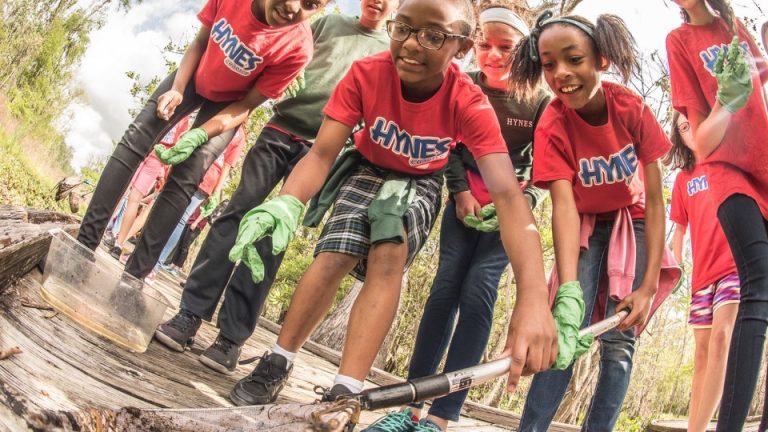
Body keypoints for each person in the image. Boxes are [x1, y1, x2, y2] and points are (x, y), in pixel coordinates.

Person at [225, 0, 557, 410]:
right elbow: (322, 153)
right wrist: (286, 203)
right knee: (335, 254)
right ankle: (279, 359)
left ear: (462, 48)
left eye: (433, 35)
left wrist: (533, 296)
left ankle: (346, 390)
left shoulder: (469, 101)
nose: (412, 45)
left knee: (389, 254)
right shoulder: (367, 74)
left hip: (420, 181)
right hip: (368, 167)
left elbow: (508, 194)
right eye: (403, 28)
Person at [153, 0, 400, 376]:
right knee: (236, 214)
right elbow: (287, 47)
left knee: (272, 237)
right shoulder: (328, 23)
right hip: (279, 130)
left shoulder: (389, 54)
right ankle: (190, 313)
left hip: (323, 149)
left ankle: (231, 338)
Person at [364, 4, 550, 431]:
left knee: (479, 294)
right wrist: (460, 192)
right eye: (485, 44)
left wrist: (526, 205)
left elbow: (546, 170)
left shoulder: (539, 103)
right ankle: (410, 405)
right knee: (444, 290)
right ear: (473, 45)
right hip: (461, 210)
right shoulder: (461, 84)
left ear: (524, 51)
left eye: (507, 47)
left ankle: (444, 416)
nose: (494, 54)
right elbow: (446, 144)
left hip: (508, 221)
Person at [75, 0, 328, 284]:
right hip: (195, 76)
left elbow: (247, 104)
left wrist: (202, 133)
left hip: (229, 108)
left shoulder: (297, 48)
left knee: (187, 176)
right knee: (137, 138)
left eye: (310, 4)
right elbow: (199, 42)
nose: (293, 7)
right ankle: (84, 243)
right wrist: (178, 89)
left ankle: (134, 276)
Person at [511, 11, 675, 431]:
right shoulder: (553, 122)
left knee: (619, 341)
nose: (561, 74)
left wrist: (649, 284)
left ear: (601, 58)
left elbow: (655, 200)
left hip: (633, 219)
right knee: (566, 334)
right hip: (584, 220)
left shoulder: (631, 107)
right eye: (549, 65)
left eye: (574, 59)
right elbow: (564, 207)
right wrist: (568, 291)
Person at [665, 1, 768, 430]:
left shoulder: (736, 26)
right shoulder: (679, 41)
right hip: (728, 172)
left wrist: (757, 71)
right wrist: (726, 101)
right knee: (758, 285)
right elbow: (703, 144)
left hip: (764, 165)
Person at [665, 111, 740, 432]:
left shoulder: (729, 162)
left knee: (723, 339)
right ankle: (694, 427)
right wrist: (671, 268)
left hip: (735, 264)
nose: (690, 130)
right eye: (683, 127)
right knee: (701, 354)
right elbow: (679, 232)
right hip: (702, 276)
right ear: (679, 136)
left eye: (693, 121)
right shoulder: (683, 179)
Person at [151, 125, 246, 281]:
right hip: (208, 175)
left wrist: (216, 192)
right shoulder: (241, 135)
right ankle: (155, 265)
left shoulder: (227, 122)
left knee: (173, 210)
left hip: (198, 165)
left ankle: (153, 261)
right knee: (181, 219)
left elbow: (226, 165)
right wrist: (216, 191)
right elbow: (227, 167)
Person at [108, 117, 188, 259]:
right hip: (152, 155)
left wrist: (163, 166)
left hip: (149, 153)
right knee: (131, 198)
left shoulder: (176, 110)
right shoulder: (185, 118)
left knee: (125, 194)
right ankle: (117, 244)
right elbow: (176, 145)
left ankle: (110, 237)